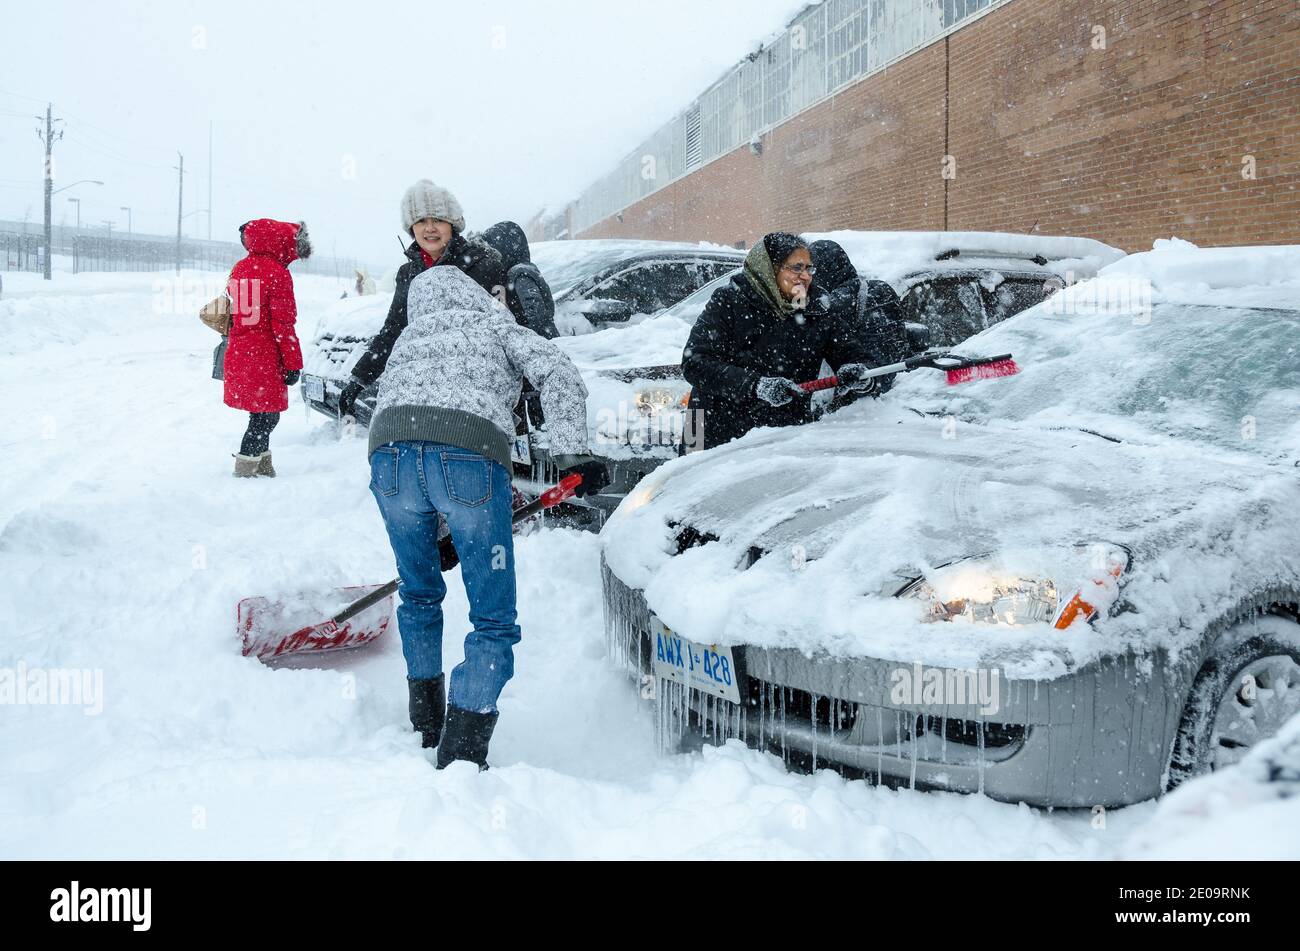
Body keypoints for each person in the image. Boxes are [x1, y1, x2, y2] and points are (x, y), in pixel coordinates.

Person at [367, 266, 608, 769]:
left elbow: (414, 422)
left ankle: (426, 723)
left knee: (418, 592)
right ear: (475, 296)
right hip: (469, 462)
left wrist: (440, 532)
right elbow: (557, 372)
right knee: (493, 618)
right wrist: (571, 453)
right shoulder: (494, 325)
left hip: (389, 463)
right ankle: (462, 750)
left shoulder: (409, 338)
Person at [681, 232, 881, 452]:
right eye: (796, 268)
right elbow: (695, 363)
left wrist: (861, 375)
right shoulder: (730, 301)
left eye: (809, 268)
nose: (805, 276)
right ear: (769, 269)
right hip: (710, 432)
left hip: (780, 438)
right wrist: (756, 386)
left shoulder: (816, 308)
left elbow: (858, 357)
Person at [337, 181, 506, 419]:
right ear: (411, 228)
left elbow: (509, 328)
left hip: (478, 390)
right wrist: (359, 379)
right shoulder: (408, 274)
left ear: (452, 224)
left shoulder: (484, 265)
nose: (430, 229)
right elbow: (393, 330)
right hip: (426, 390)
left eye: (437, 219)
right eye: (421, 221)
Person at [224, 219, 312, 476]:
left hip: (242, 350)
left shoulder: (240, 268)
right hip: (265, 354)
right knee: (266, 417)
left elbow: (242, 313)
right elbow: (283, 325)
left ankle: (261, 467)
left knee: (261, 414)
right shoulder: (277, 272)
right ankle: (246, 470)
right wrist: (294, 364)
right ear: (279, 243)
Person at [808, 239, 909, 395]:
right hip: (884, 392)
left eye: (810, 270)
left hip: (858, 402)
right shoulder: (880, 292)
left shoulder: (827, 305)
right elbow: (894, 348)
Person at [480, 220, 559, 339]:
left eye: (494, 248)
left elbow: (537, 317)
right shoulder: (512, 273)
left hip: (541, 343)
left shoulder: (520, 274)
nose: (491, 254)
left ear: (506, 246)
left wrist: (538, 342)